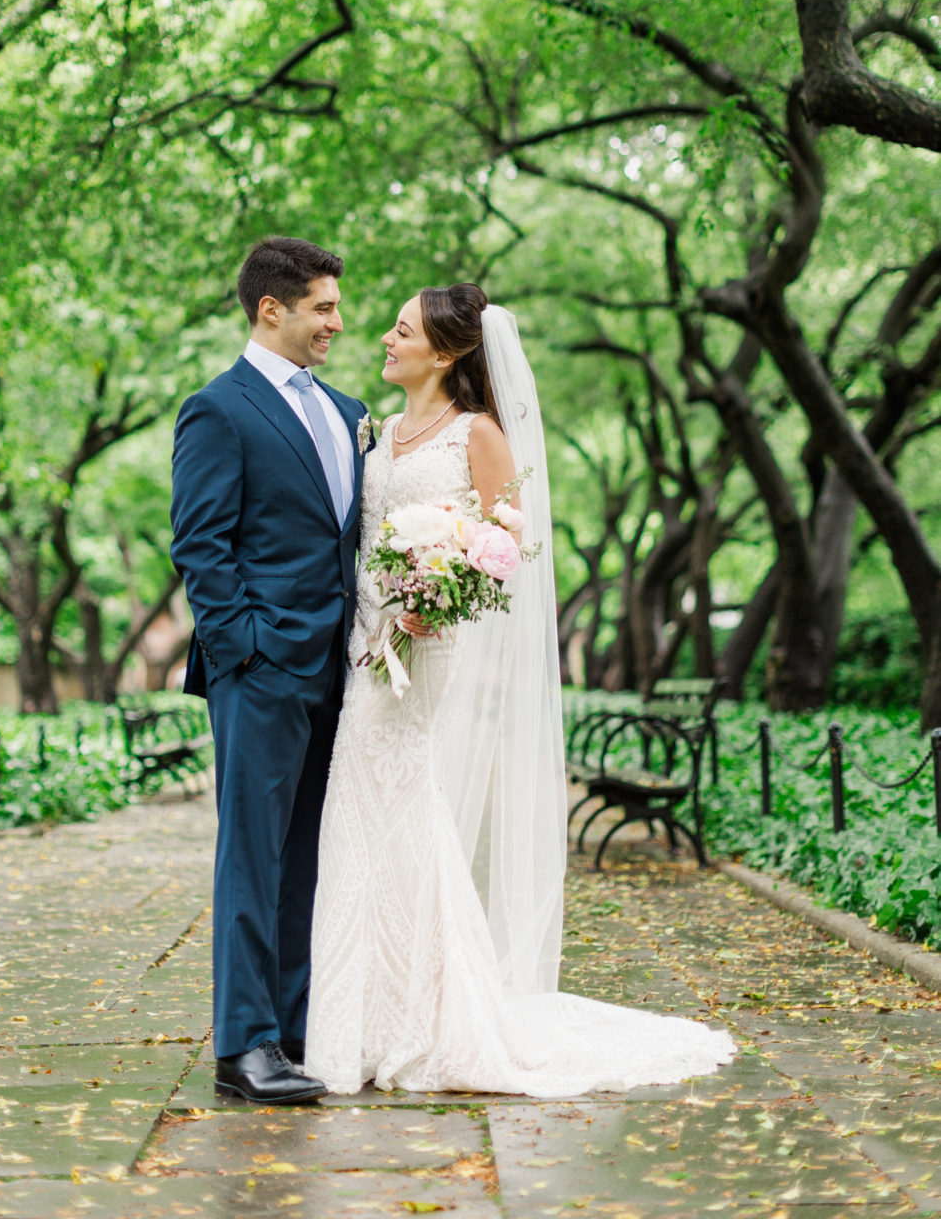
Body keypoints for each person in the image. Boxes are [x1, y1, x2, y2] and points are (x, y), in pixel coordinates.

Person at [305, 283, 736, 1095]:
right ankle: (367, 1010)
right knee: (368, 810)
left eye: (402, 331)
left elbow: (507, 541)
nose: (385, 340)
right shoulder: (381, 430)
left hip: (422, 650)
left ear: (447, 352)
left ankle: (421, 1018)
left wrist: (440, 597)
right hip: (363, 638)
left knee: (388, 795)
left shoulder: (481, 434)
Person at [170, 237, 371, 1106]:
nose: (337, 321)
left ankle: (291, 1032)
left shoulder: (349, 408)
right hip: (260, 670)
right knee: (252, 859)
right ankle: (242, 1046)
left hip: (346, 672)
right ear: (271, 310)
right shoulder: (219, 410)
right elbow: (200, 545)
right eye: (323, 307)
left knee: (310, 859)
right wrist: (243, 649)